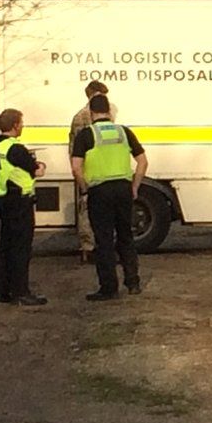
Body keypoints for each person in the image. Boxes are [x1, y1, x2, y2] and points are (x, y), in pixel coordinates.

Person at [70, 95, 147, 301]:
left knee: (104, 240)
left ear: (91, 113)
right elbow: (142, 162)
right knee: (125, 236)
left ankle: (109, 288)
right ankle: (133, 282)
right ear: (109, 112)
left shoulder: (86, 135)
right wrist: (135, 187)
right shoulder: (124, 132)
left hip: (99, 191)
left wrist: (85, 188)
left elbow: (76, 167)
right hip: (123, 189)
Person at [0, 109, 48, 306]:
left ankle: (1, 292)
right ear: (14, 125)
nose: (22, 126)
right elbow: (36, 171)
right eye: (21, 123)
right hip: (20, 203)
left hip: (4, 201)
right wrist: (40, 165)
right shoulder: (16, 149)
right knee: (21, 249)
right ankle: (21, 293)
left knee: (5, 248)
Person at [69, 80, 119, 264]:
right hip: (92, 170)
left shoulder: (84, 115)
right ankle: (89, 249)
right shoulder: (84, 117)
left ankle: (94, 248)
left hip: (98, 169)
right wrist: (80, 176)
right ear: (93, 95)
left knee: (94, 211)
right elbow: (79, 147)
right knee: (87, 210)